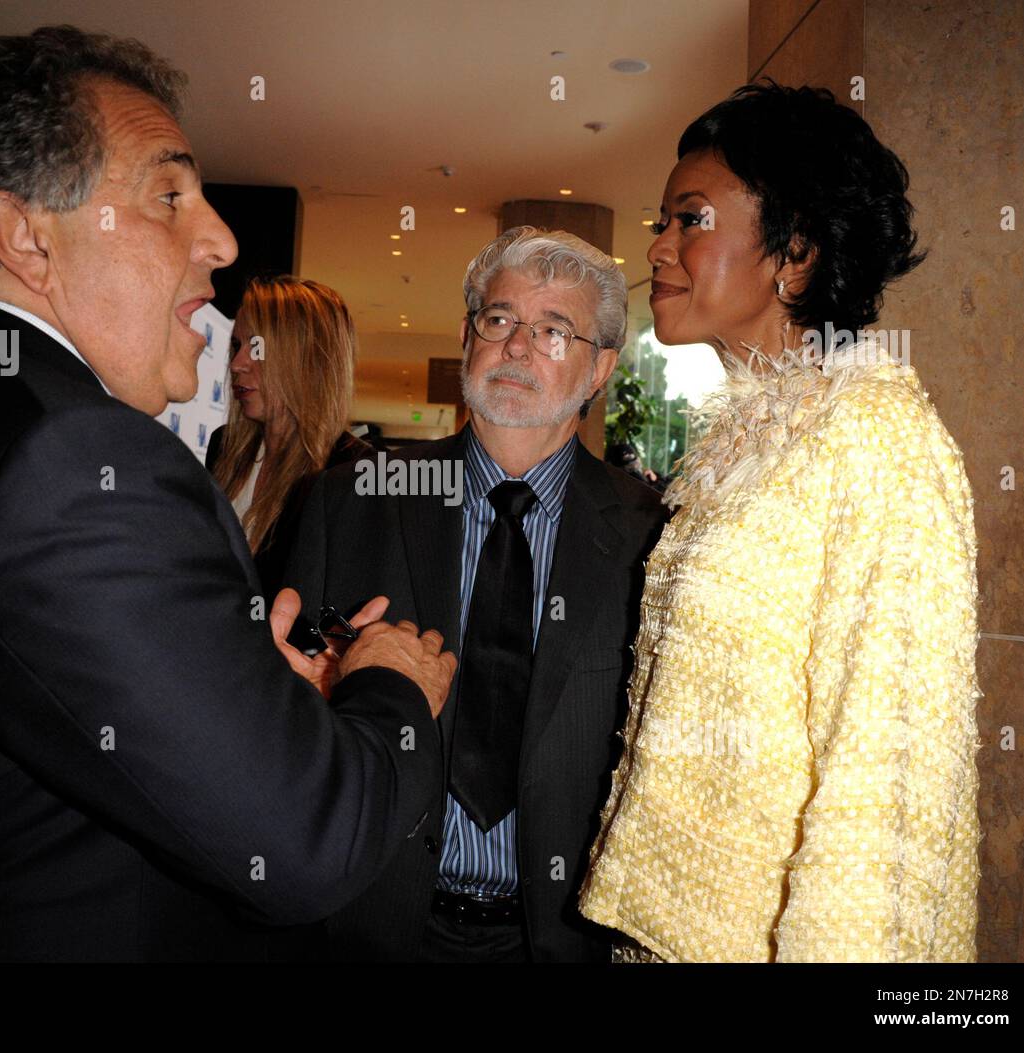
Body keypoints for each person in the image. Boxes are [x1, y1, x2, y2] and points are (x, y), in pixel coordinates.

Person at [0, 25, 455, 963]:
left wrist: (234, 694)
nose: (222, 239)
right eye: (167, 195)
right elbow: (308, 842)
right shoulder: (73, 452)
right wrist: (391, 686)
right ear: (28, 235)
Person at [579, 82, 980, 962]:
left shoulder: (876, 439)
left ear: (794, 252)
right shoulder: (749, 441)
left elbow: (890, 782)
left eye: (691, 219)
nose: (657, 245)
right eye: (663, 219)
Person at [286, 226, 667, 962]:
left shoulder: (652, 539)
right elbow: (288, 723)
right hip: (370, 924)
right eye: (500, 321)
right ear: (467, 337)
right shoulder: (352, 501)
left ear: (599, 370)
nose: (519, 347)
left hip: (560, 938)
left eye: (555, 331)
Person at [207, 275, 372, 605]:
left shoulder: (353, 470)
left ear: (306, 358)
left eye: (256, 347)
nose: (237, 364)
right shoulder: (222, 446)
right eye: (237, 346)